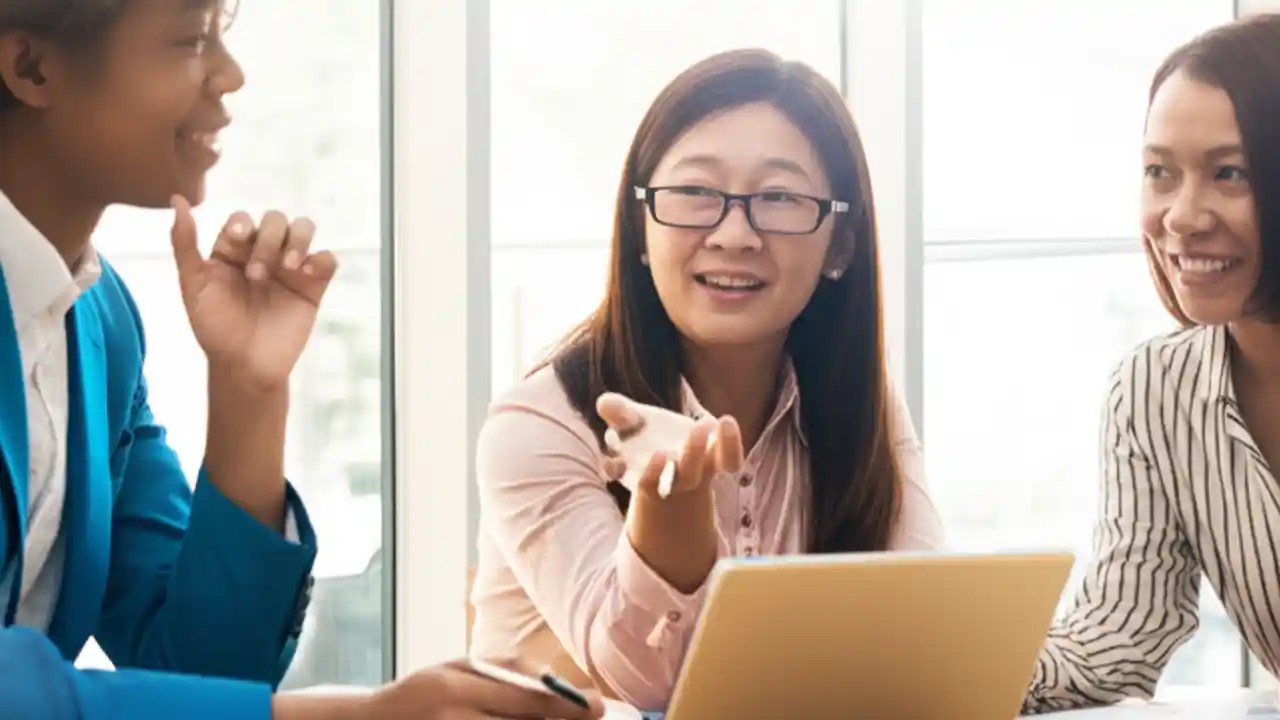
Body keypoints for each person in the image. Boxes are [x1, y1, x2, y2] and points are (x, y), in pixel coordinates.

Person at [0, 1, 603, 719]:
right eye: (192, 41)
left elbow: (204, 667)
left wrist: (250, 388)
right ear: (32, 67)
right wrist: (364, 714)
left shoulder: (99, 320)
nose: (230, 74)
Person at [470, 48, 946, 712]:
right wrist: (670, 527)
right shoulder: (540, 425)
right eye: (696, 193)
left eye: (779, 198)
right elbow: (649, 686)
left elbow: (928, 632)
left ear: (839, 245)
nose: (734, 233)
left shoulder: (861, 410)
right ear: (641, 226)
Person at [1022, 13, 1280, 713]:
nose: (1182, 216)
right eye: (1160, 173)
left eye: (1231, 173)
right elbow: (1114, 642)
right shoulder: (1155, 391)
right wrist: (961, 661)